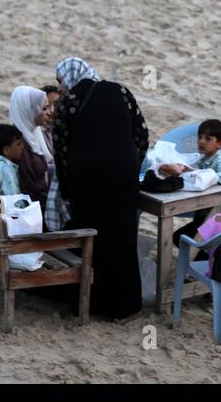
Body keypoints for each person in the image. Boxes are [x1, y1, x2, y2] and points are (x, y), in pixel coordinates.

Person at [51, 56, 148, 320]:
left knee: (93, 239)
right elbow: (141, 135)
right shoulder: (120, 91)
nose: (59, 88)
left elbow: (60, 151)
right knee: (123, 239)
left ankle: (95, 305)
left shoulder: (68, 103)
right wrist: (129, 165)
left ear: (70, 77)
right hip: (122, 178)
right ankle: (127, 308)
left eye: (60, 81)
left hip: (88, 182)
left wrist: (68, 191)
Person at [164, 120, 221, 245]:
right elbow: (194, 172)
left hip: (218, 216)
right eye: (200, 137)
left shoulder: (220, 160)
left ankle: (198, 260)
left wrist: (207, 177)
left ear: (220, 143)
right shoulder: (202, 159)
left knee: (180, 238)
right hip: (202, 213)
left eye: (208, 139)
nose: (201, 141)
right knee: (180, 238)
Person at [9, 86, 67, 228]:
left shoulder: (33, 134)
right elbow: (30, 188)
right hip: (32, 216)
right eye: (44, 109)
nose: (49, 112)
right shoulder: (20, 144)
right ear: (31, 110)